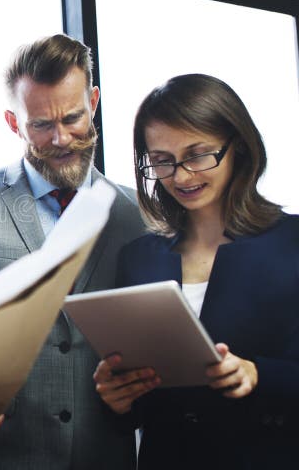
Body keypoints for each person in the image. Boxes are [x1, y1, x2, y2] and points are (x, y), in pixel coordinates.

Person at [0, 33, 145, 469]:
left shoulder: (138, 216)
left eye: (73, 117)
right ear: (13, 122)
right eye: (40, 124)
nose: (61, 139)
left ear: (93, 102)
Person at [93, 73, 299, 469]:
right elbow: (140, 408)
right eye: (162, 161)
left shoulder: (291, 243)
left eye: (198, 154)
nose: (181, 176)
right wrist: (117, 398)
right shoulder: (138, 258)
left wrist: (259, 375)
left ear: (239, 146)